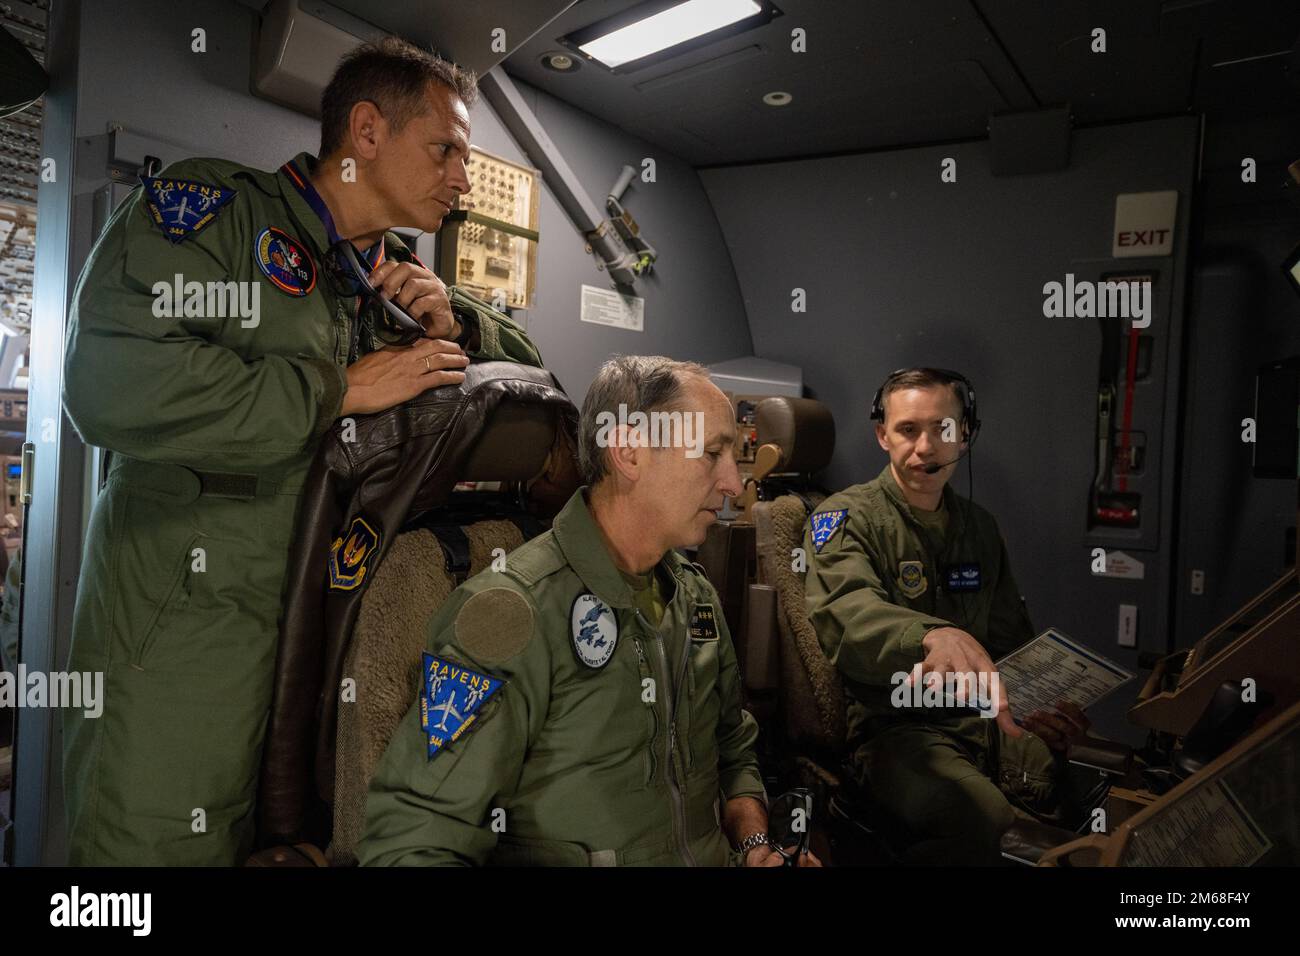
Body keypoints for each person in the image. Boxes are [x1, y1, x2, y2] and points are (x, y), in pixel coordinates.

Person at [60, 37, 541, 865]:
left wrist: (457, 325)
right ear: (365, 131)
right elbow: (111, 378)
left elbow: (533, 402)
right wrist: (337, 389)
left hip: (317, 641)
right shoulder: (214, 213)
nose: (464, 178)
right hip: (184, 637)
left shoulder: (390, 277)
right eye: (447, 149)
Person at [359, 356, 818, 866]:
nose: (733, 482)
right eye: (712, 453)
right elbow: (416, 838)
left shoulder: (694, 597)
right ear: (628, 452)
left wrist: (755, 845)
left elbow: (733, 748)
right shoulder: (510, 611)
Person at [803, 368, 1088, 864]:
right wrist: (933, 635)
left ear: (967, 434)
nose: (926, 448)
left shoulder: (979, 528)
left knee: (1080, 784)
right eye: (908, 429)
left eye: (944, 429)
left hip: (978, 720)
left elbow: (1007, 644)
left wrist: (1040, 706)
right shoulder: (845, 518)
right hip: (893, 728)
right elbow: (847, 613)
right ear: (882, 435)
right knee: (985, 824)